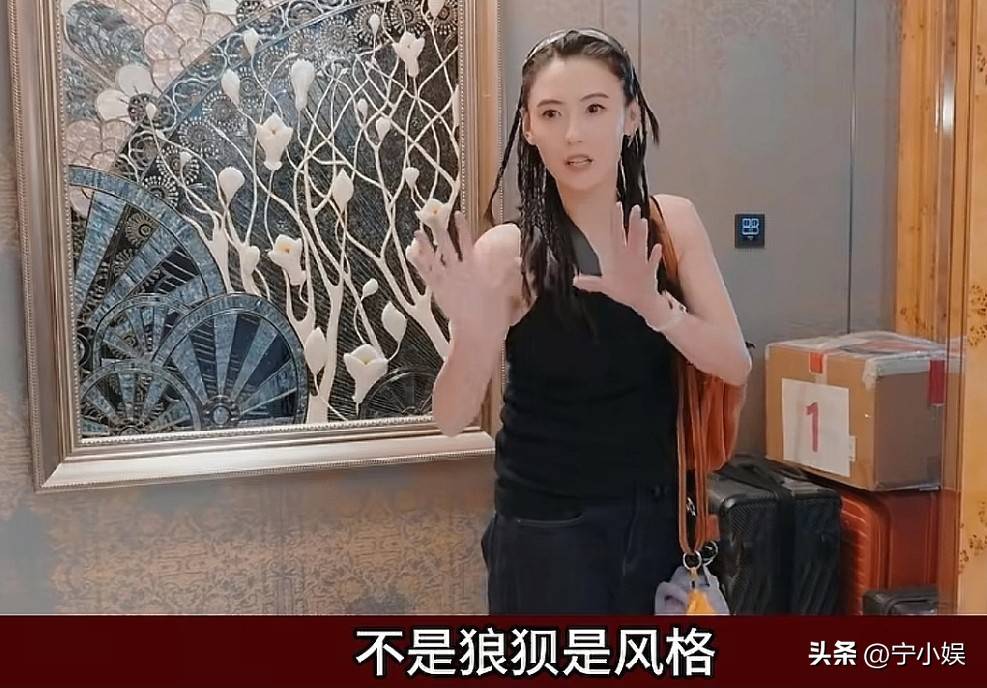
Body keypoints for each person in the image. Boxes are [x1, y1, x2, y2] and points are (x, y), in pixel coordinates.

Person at [404, 28, 751, 614]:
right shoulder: (509, 253)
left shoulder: (673, 226)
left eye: (594, 109)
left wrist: (655, 307)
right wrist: (472, 329)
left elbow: (734, 363)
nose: (573, 134)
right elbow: (450, 417)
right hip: (546, 531)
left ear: (630, 117)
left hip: (658, 521)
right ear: (529, 129)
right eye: (551, 113)